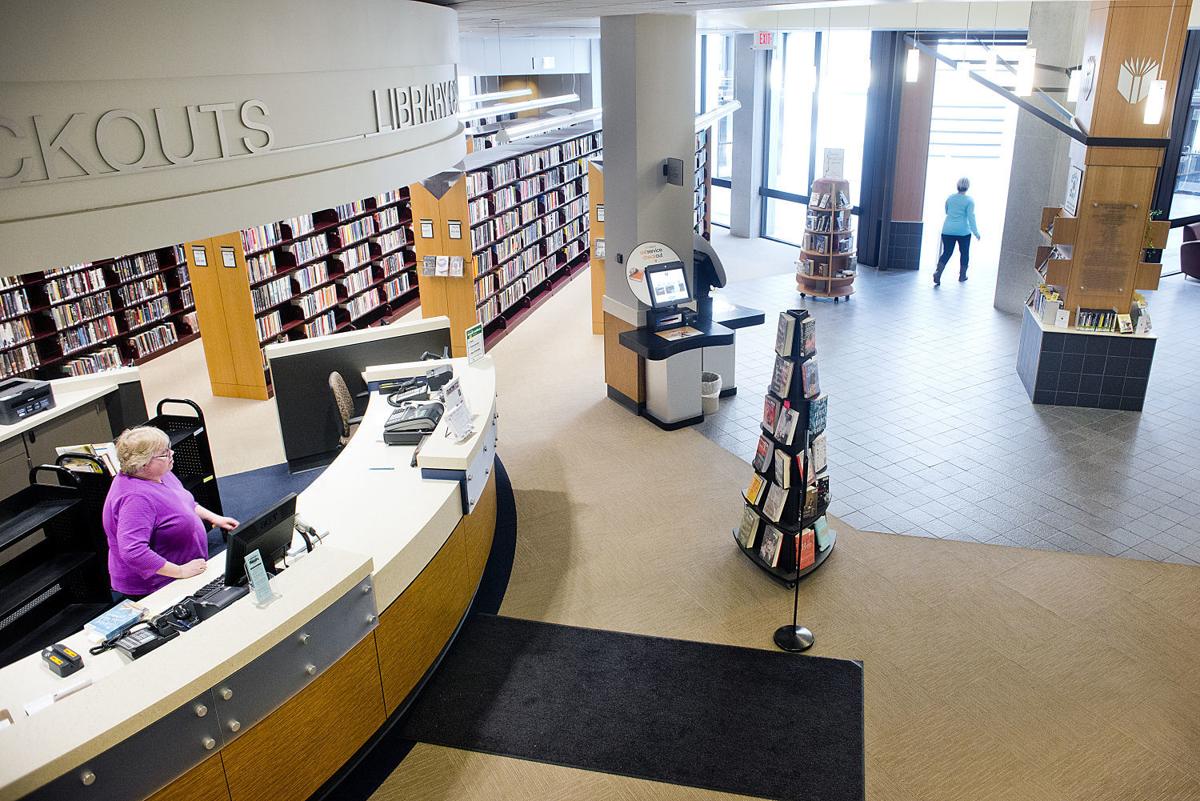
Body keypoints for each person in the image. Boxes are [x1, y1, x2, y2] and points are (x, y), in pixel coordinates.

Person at [102, 426, 239, 599]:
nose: (172, 453)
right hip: (156, 584)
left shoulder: (160, 473)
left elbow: (183, 502)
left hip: (180, 572)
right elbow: (133, 551)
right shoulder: (135, 499)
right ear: (143, 463)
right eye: (164, 453)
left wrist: (214, 518)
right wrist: (180, 571)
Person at [934, 177, 981, 285]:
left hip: (947, 230)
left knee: (947, 252)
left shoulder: (950, 198)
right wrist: (976, 232)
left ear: (957, 186)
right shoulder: (969, 201)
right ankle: (962, 276)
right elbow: (971, 217)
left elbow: (947, 211)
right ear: (967, 187)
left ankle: (938, 273)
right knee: (964, 253)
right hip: (963, 231)